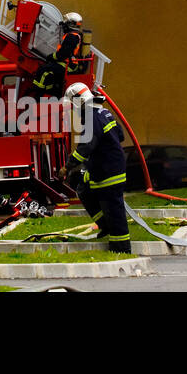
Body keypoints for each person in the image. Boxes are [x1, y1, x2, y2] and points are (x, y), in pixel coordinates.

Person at [61, 82, 130, 253]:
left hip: (109, 170)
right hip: (103, 167)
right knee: (84, 190)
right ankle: (104, 224)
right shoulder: (103, 112)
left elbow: (85, 148)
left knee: (114, 209)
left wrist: (67, 166)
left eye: (73, 106)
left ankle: (120, 248)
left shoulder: (92, 118)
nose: (73, 110)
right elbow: (120, 135)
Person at [31, 12, 84, 98]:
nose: (64, 24)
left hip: (68, 65)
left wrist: (51, 57)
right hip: (67, 63)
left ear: (70, 24)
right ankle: (47, 91)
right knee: (47, 68)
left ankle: (38, 93)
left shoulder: (72, 37)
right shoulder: (72, 35)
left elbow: (63, 54)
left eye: (66, 22)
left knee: (44, 70)